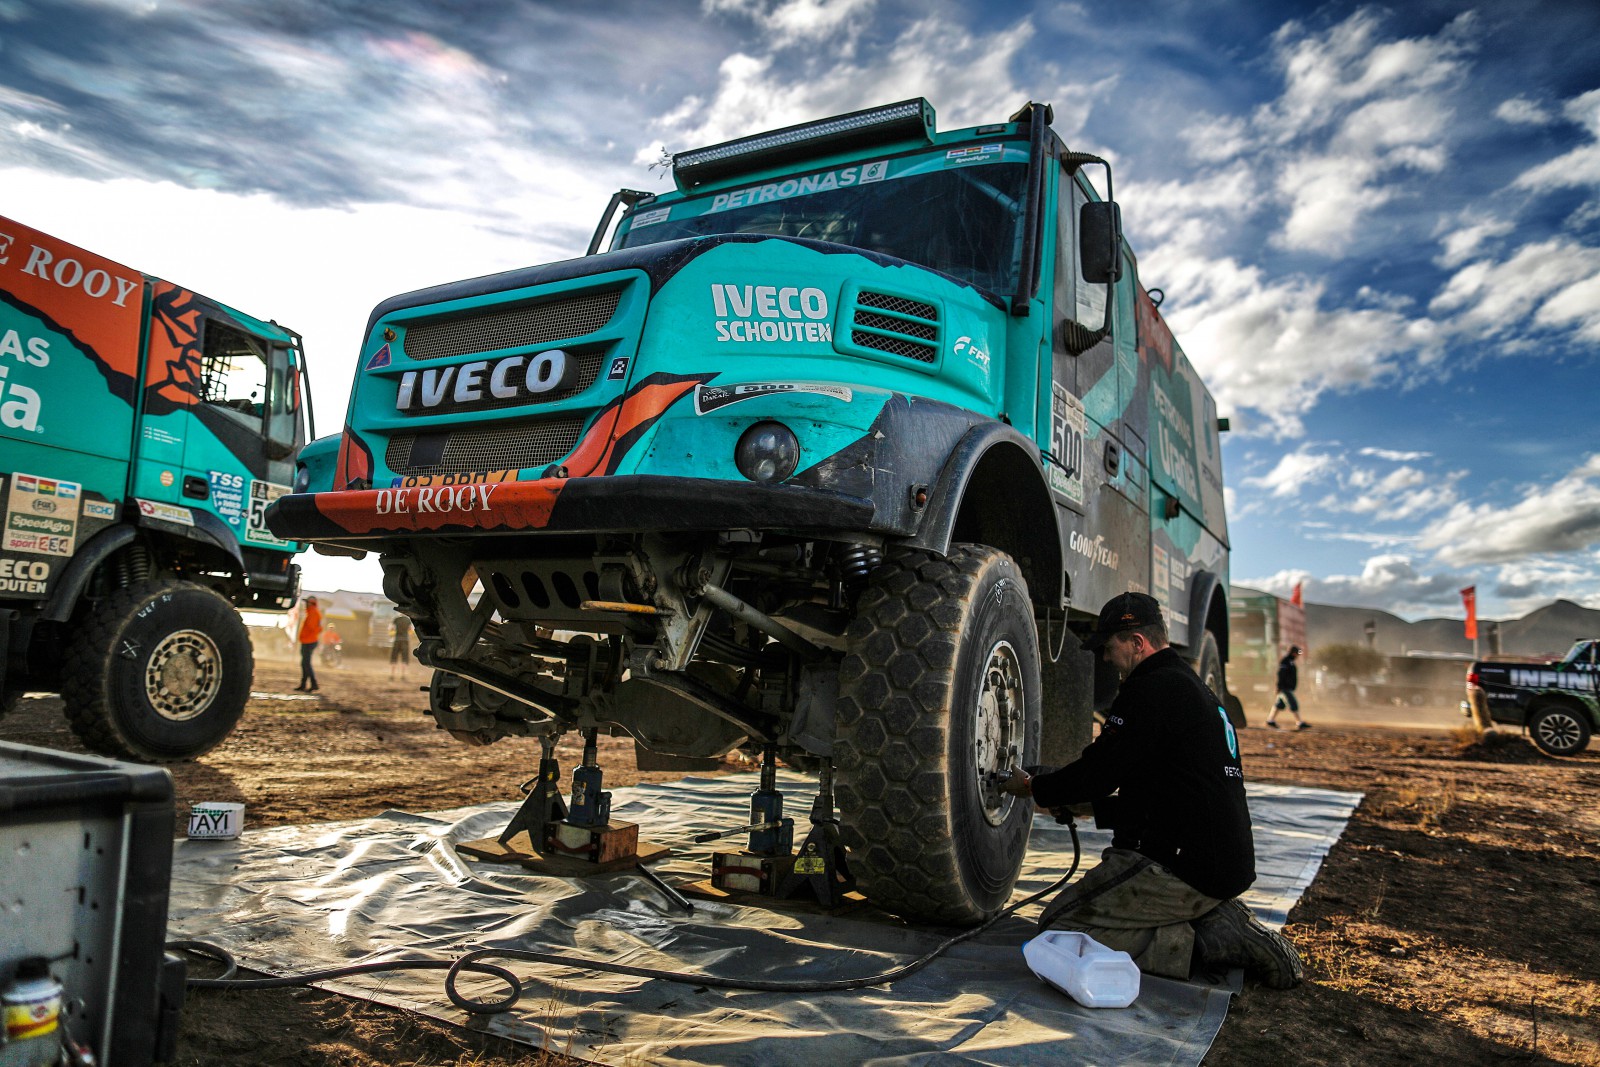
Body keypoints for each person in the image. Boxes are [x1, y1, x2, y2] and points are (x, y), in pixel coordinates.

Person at [1000, 591, 1302, 989]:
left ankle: (1207, 940)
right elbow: (1156, 794)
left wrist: (1036, 788)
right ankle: (1208, 915)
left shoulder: (1150, 689)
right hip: (1217, 861)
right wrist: (1066, 798)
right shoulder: (1189, 687)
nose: (1106, 659)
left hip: (1181, 865)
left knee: (1060, 927)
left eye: (1110, 648)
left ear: (1137, 644)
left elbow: (1099, 774)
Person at [1267, 645, 1308, 729]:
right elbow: (1281, 675)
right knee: (1293, 703)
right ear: (1293, 653)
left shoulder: (1291, 661)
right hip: (1285, 688)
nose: (1298, 655)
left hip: (1288, 687)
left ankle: (1270, 720)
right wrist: (1279, 686)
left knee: (1279, 705)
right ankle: (1299, 722)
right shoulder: (1285, 661)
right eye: (1297, 653)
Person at [296, 596, 322, 692]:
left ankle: (313, 684)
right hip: (307, 641)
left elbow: (313, 628)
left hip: (309, 641)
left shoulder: (313, 613)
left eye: (307, 602)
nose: (306, 604)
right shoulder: (311, 612)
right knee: (304, 663)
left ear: (312, 603)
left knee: (306, 663)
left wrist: (305, 636)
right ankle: (304, 684)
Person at [389, 613, 413, 678]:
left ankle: (392, 675)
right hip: (405, 640)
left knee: (394, 657)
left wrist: (394, 633)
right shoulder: (408, 620)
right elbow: (411, 630)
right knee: (404, 658)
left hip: (397, 640)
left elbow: (391, 629)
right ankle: (403, 675)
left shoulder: (396, 619)